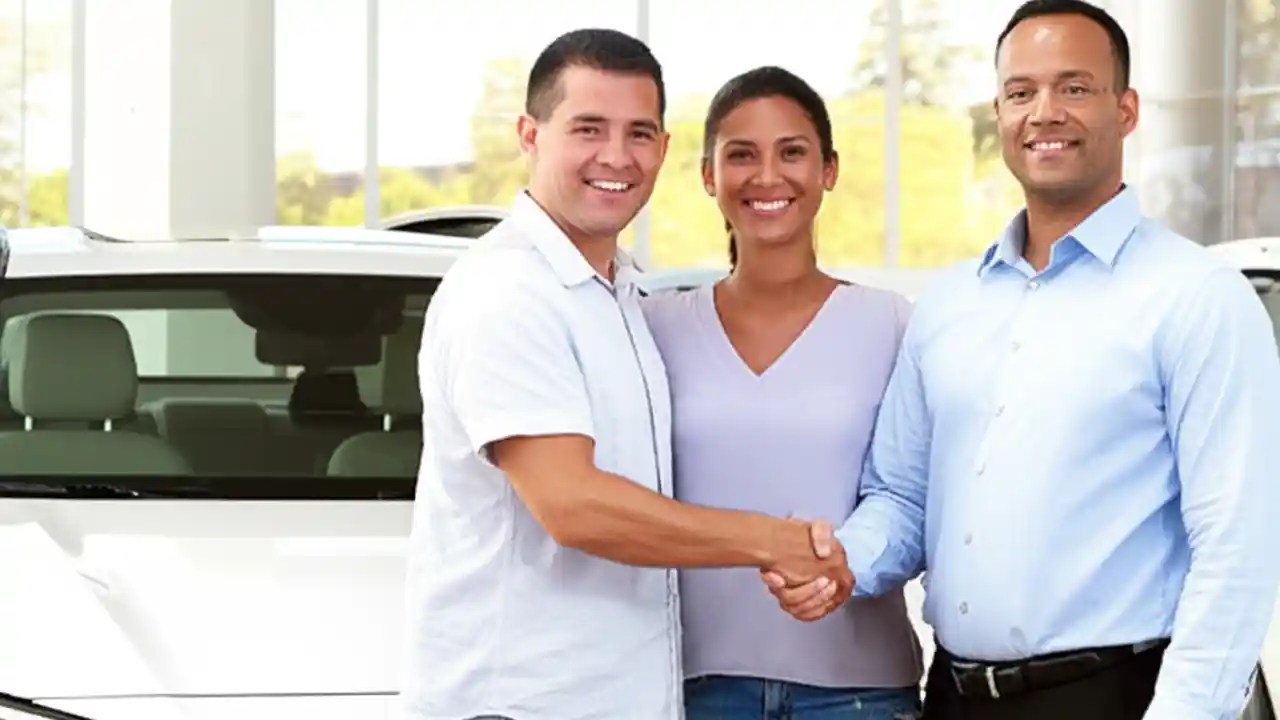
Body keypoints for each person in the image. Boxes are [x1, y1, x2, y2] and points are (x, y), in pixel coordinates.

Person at [766, 1, 1280, 718]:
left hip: (1116, 698)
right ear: (999, 111)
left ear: (1125, 109)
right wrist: (843, 563)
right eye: (1020, 92)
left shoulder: (1197, 298)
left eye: (1074, 88)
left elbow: (1236, 549)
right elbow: (902, 497)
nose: (1044, 112)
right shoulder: (948, 306)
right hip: (953, 696)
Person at [401, 29, 850, 720]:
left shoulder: (620, 297)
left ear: (664, 150)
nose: (616, 156)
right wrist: (772, 539)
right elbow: (573, 504)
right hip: (520, 704)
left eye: (638, 133)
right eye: (588, 128)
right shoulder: (508, 291)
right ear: (530, 134)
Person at [641, 66, 924, 720]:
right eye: (742, 155)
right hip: (690, 691)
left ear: (828, 169)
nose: (767, 176)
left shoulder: (890, 323)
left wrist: (845, 565)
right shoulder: (653, 326)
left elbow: (908, 498)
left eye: (791, 152)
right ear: (708, 174)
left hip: (859, 696)